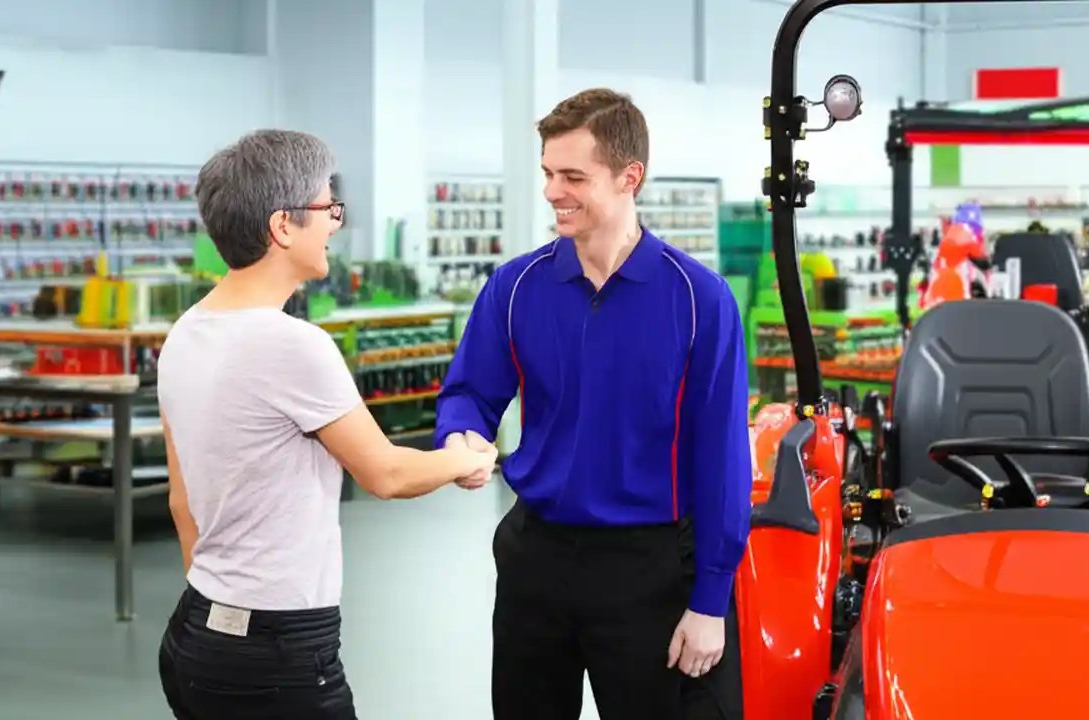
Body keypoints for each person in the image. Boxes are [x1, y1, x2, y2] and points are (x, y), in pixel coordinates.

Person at [156, 129, 497, 720]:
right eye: (326, 206)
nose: (335, 221)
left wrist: (226, 603)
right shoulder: (294, 346)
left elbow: (181, 501)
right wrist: (468, 458)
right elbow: (385, 472)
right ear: (282, 226)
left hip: (197, 636)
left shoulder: (185, 333)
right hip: (278, 654)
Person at [436, 88, 752, 719]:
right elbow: (471, 391)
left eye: (573, 176)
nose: (554, 191)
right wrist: (460, 436)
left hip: (651, 569)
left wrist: (710, 601)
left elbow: (722, 459)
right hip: (537, 557)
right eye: (549, 173)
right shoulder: (516, 286)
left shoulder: (699, 299)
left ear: (629, 176)